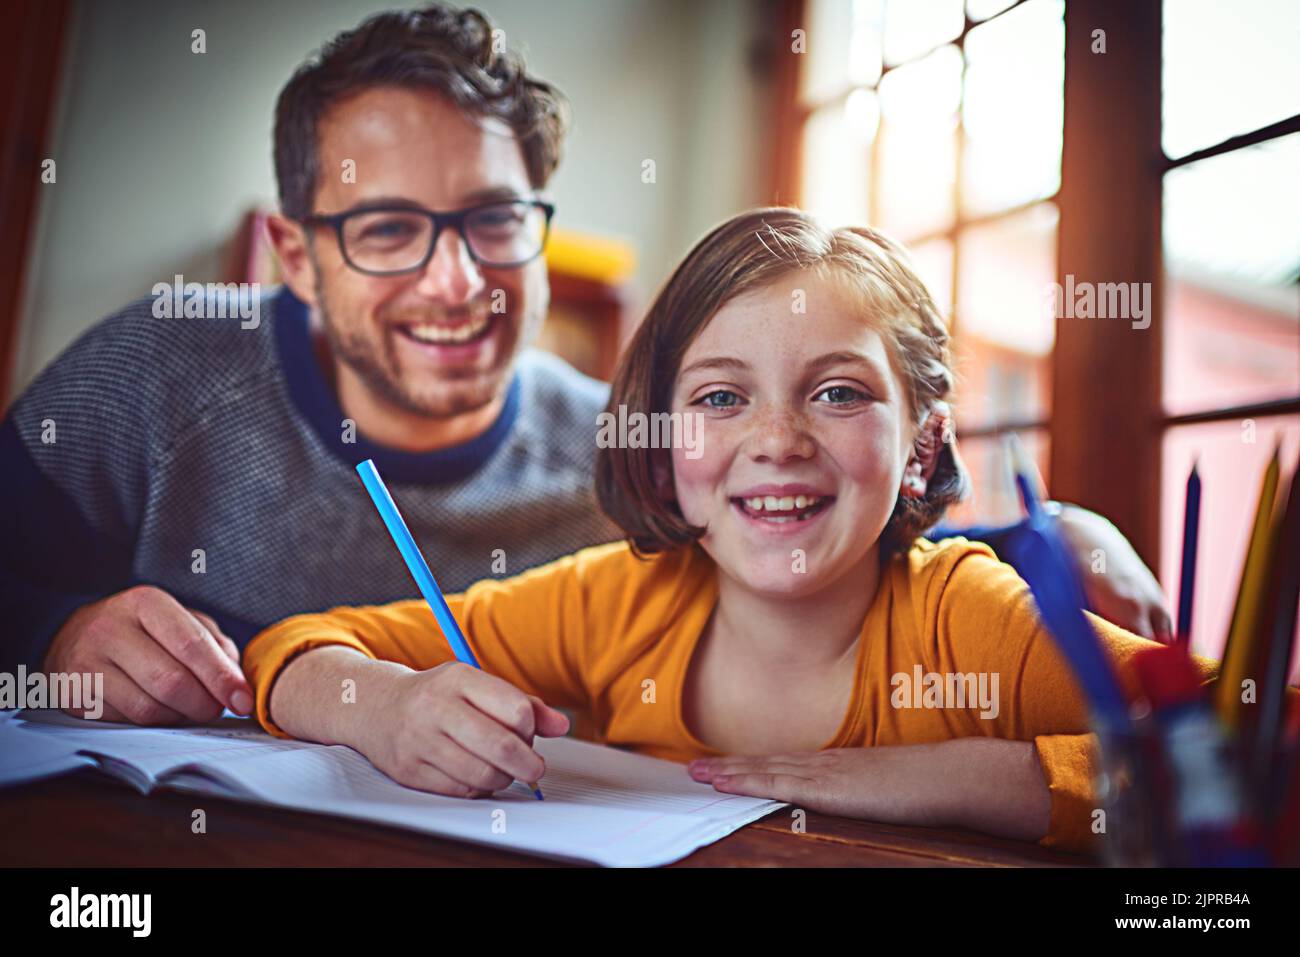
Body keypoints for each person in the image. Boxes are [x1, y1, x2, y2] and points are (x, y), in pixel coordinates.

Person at [0, 3, 1168, 728]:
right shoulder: (148, 378)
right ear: (299, 258)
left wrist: (1045, 541)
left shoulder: (637, 441)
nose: (456, 280)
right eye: (389, 230)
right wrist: (51, 635)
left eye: (494, 221)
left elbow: (813, 554)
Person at [243, 208, 1213, 854]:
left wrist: (971, 776)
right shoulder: (608, 601)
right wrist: (377, 707)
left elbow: (1258, 748)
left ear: (922, 448)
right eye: (719, 397)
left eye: (836, 392)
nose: (777, 439)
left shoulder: (969, 622)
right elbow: (292, 650)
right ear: (661, 450)